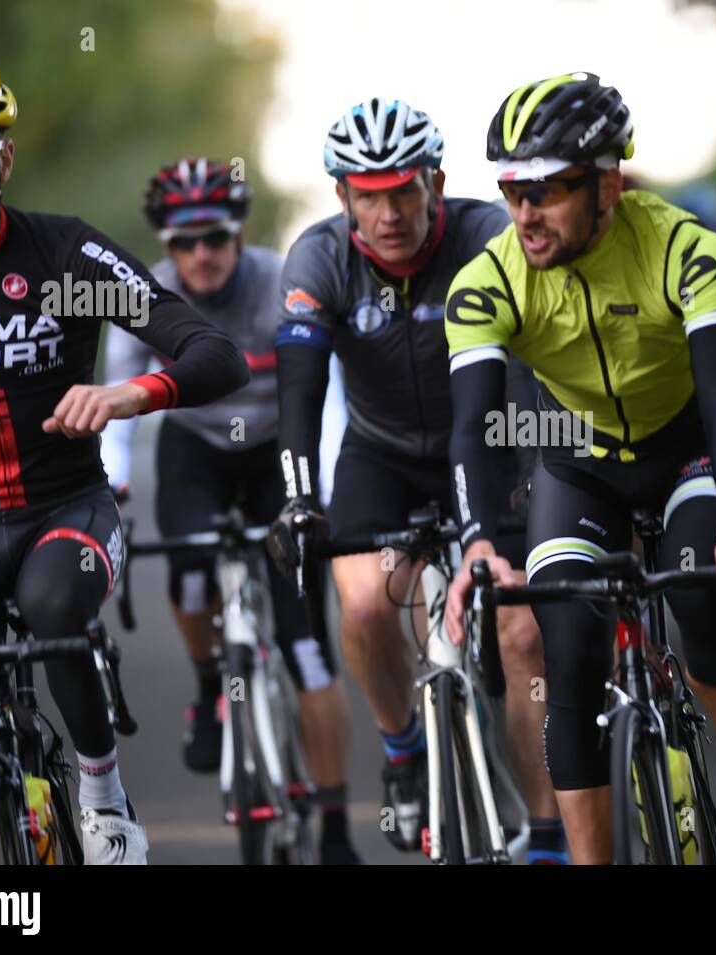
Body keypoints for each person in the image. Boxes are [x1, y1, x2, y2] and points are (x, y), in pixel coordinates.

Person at [0, 54, 249, 863]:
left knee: (54, 604)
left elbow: (212, 351)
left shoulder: (64, 257)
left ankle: (100, 786)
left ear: (4, 160)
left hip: (68, 514)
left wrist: (130, 395)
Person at [442, 72, 716, 865]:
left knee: (706, 586)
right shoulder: (489, 281)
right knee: (566, 648)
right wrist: (475, 540)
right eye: (511, 191)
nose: (525, 212)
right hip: (579, 470)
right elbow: (474, 430)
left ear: (608, 184)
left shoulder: (685, 249)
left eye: (548, 190)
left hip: (686, 450)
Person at [269, 98, 565, 862]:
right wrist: (300, 499)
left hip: (497, 444)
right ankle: (403, 747)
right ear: (343, 197)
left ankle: (546, 835)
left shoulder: (487, 238)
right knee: (365, 605)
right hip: (381, 454)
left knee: (523, 629)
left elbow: (534, 374)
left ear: (436, 181)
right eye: (368, 194)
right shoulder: (318, 257)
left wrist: (537, 481)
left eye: (403, 189)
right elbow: (298, 393)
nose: (389, 212)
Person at [99, 157, 360, 863]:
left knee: (308, 648)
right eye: (184, 242)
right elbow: (116, 406)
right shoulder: (143, 294)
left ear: (238, 232)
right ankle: (213, 681)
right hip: (199, 448)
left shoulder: (281, 279)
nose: (202, 254)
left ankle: (334, 825)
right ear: (166, 243)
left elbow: (327, 390)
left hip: (280, 443)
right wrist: (113, 485)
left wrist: (319, 487)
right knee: (185, 570)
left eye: (215, 237)